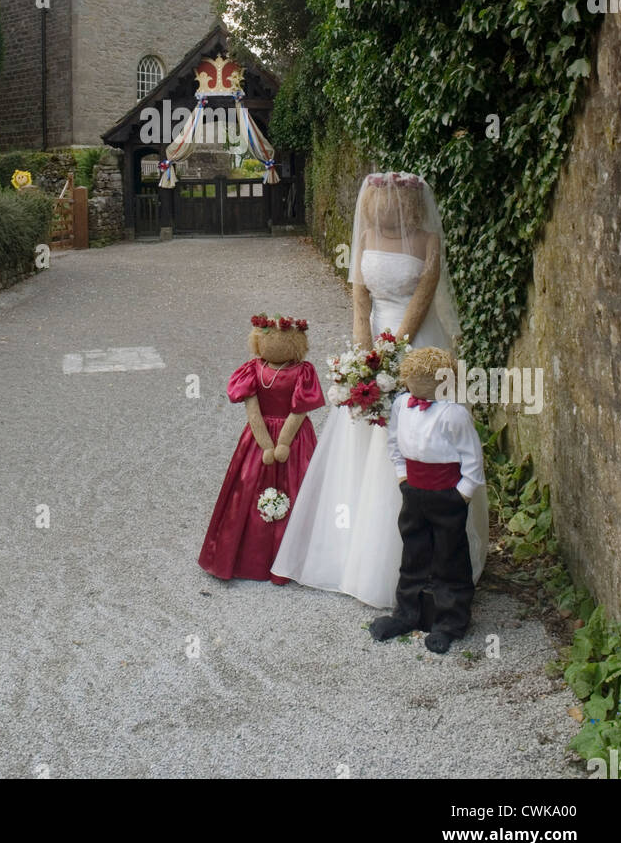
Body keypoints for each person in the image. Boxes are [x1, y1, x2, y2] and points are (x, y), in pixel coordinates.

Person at [271, 172, 488, 606]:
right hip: (373, 340)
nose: (385, 209)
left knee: (422, 434)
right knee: (366, 436)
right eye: (379, 202)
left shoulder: (429, 241)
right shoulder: (366, 236)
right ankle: (361, 554)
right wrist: (364, 355)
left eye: (394, 203)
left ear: (409, 205)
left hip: (419, 344)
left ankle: (433, 552)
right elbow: (359, 298)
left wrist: (394, 353)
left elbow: (424, 296)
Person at [371, 346, 486, 654]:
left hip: (447, 495)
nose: (418, 382)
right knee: (413, 552)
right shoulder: (400, 406)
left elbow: (472, 460)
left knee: (450, 557)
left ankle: (450, 621)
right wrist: (402, 478)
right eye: (414, 377)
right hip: (414, 491)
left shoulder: (455, 414)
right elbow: (394, 442)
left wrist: (460, 496)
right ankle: (406, 613)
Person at [198, 315, 325, 582]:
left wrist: (280, 444)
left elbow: (297, 410)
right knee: (266, 487)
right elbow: (255, 409)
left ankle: (255, 555)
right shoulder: (255, 370)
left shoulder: (301, 372)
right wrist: (271, 445)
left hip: (284, 440)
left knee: (251, 486)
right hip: (275, 440)